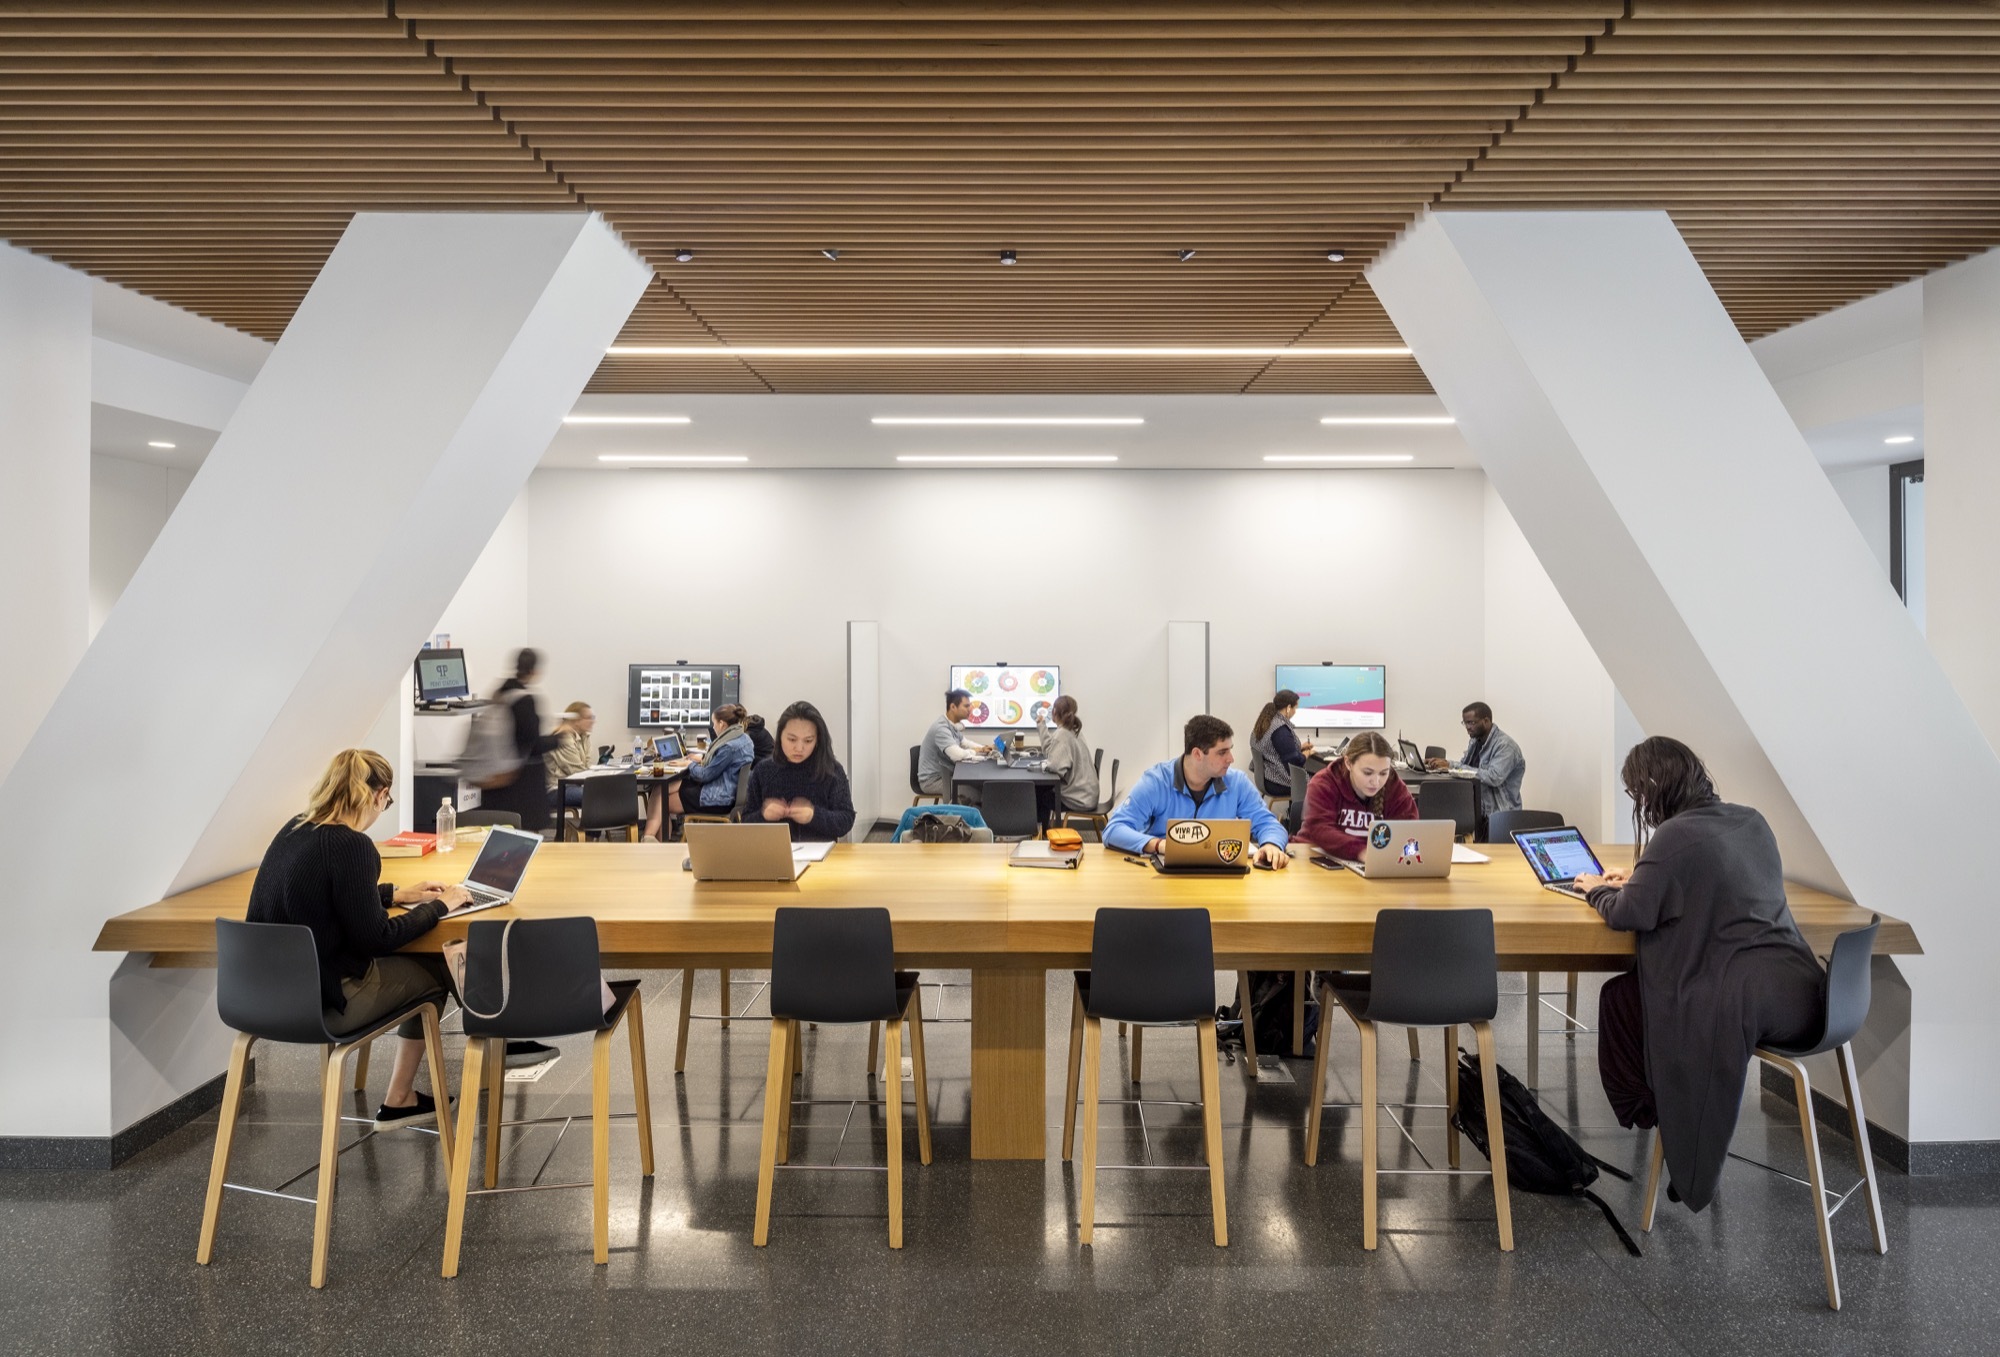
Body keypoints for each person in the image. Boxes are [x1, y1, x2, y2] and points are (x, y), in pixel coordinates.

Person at [1577, 737, 1824, 1214]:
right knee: (1630, 995)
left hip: (1744, 998)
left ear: (1652, 789)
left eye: (1637, 795)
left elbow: (1630, 914)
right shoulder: (1749, 820)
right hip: (1810, 993)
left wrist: (1594, 891)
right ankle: (1662, 1112)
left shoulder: (1674, 837)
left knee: (1623, 998)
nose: (1639, 807)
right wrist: (1644, 879)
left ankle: (1649, 1107)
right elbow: (1712, 883)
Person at [246, 750, 473, 1127]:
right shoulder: (352, 846)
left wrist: (393, 895)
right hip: (325, 1002)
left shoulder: (295, 828)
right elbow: (378, 939)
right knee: (434, 967)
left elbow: (321, 896)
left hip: (260, 999)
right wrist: (441, 907)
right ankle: (403, 1095)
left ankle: (497, 1037)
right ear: (379, 794)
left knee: (416, 959)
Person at [1101, 714, 1289, 868]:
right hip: (1164, 875)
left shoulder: (1237, 783)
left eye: (1230, 750)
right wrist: (1160, 845)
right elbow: (1113, 830)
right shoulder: (1156, 781)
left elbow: (1268, 824)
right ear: (1198, 754)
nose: (1231, 759)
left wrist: (1271, 844)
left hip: (1221, 875)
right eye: (1222, 752)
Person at [475, 647, 571, 837]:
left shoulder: (498, 694)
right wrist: (558, 738)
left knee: (500, 839)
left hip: (495, 780)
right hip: (521, 785)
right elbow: (532, 746)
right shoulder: (525, 702)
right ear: (534, 671)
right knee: (525, 840)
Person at [738, 700, 857, 842]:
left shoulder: (831, 770)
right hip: (774, 853)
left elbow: (846, 820)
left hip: (821, 855)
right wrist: (764, 815)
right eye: (792, 739)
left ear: (818, 740)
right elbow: (746, 821)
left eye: (808, 741)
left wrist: (814, 815)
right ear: (780, 736)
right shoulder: (763, 770)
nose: (799, 748)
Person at [1293, 730, 1419, 860]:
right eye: (1367, 773)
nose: (1376, 782)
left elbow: (1409, 832)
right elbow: (1320, 830)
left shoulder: (1395, 788)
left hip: (1369, 864)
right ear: (1348, 763)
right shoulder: (1324, 783)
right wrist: (1361, 852)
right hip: (1313, 857)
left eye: (1383, 773)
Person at [644, 702, 755, 840]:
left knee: (662, 802)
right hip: (727, 792)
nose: (713, 727)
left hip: (718, 798)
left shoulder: (728, 746)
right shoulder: (744, 739)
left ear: (722, 724)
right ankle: (651, 839)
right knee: (660, 789)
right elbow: (719, 764)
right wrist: (701, 759)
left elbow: (705, 775)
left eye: (714, 723)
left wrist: (689, 763)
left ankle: (650, 839)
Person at [1427, 701, 1523, 837]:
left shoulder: (1506, 746)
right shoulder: (1475, 740)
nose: (1468, 727)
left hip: (1500, 815)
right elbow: (1466, 766)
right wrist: (1445, 765)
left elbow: (1493, 777)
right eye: (1465, 723)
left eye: (1472, 723)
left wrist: (1452, 766)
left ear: (1486, 721)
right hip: (1478, 808)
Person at [917, 688, 990, 802]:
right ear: (953, 707)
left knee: (982, 787)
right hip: (933, 781)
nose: (970, 709)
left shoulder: (953, 726)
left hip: (946, 776)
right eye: (966, 706)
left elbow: (965, 743)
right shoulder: (941, 729)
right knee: (976, 794)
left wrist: (984, 748)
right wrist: (976, 751)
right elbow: (958, 755)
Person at [1039, 695, 1100, 814]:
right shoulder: (1075, 730)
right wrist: (1041, 725)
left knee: (1039, 794)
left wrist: (1044, 765)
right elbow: (1050, 752)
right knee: (1044, 791)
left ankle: (1043, 832)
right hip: (1088, 795)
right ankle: (1044, 831)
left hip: (1079, 798)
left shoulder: (1062, 734)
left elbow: (1055, 768)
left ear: (1054, 712)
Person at [1250, 689, 1316, 798]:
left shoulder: (1266, 723)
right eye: (1295, 708)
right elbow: (1295, 762)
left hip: (1267, 778)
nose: (1295, 711)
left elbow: (1275, 750)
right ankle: (1303, 814)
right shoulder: (1280, 730)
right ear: (1288, 707)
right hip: (1278, 782)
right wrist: (1307, 753)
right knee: (1322, 781)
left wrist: (1299, 747)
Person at [544, 700, 595, 823]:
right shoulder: (563, 737)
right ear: (576, 721)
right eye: (588, 718)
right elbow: (577, 771)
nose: (593, 721)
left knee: (598, 794)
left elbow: (586, 766)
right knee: (594, 796)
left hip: (572, 786)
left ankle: (591, 837)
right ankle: (589, 839)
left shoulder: (584, 737)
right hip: (555, 790)